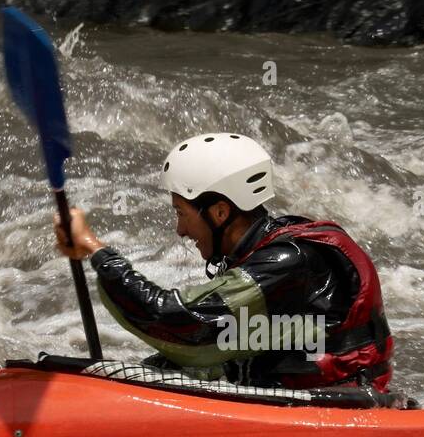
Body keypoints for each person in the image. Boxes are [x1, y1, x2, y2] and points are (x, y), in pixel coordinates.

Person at [55, 132, 394, 391]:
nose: (180, 230)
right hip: (301, 394)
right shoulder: (267, 248)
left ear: (220, 212)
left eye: (182, 214)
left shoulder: (286, 261)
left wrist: (95, 250)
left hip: (339, 404)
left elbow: (177, 322)